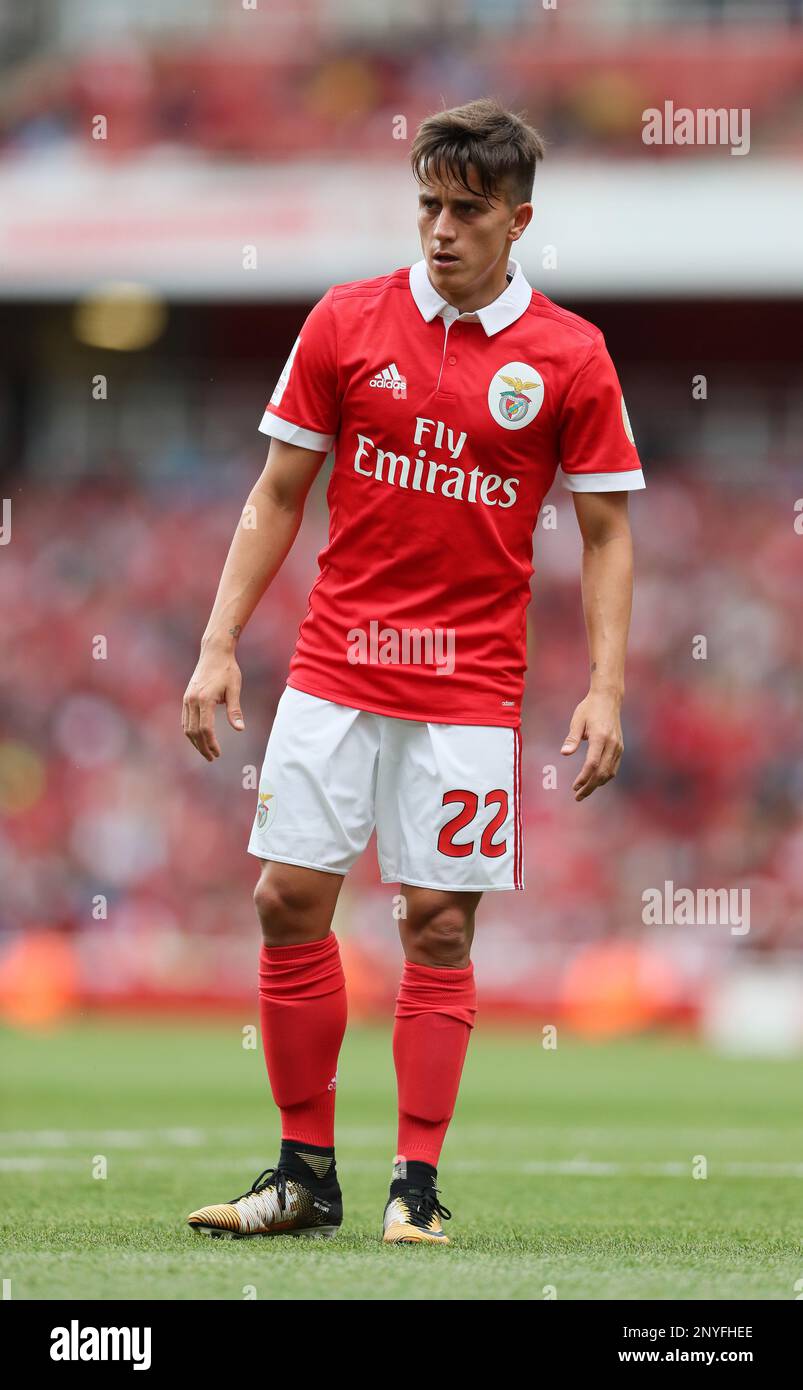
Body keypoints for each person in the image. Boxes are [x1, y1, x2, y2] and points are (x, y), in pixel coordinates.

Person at [181, 97, 645, 1245]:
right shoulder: (345, 321)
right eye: (427, 204)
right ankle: (300, 1176)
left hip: (466, 686)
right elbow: (278, 490)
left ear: (516, 219)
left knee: (436, 925)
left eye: (466, 210)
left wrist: (605, 685)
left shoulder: (569, 357)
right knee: (286, 900)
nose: (440, 229)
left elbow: (604, 532)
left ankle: (414, 1186)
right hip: (335, 663)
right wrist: (214, 641)